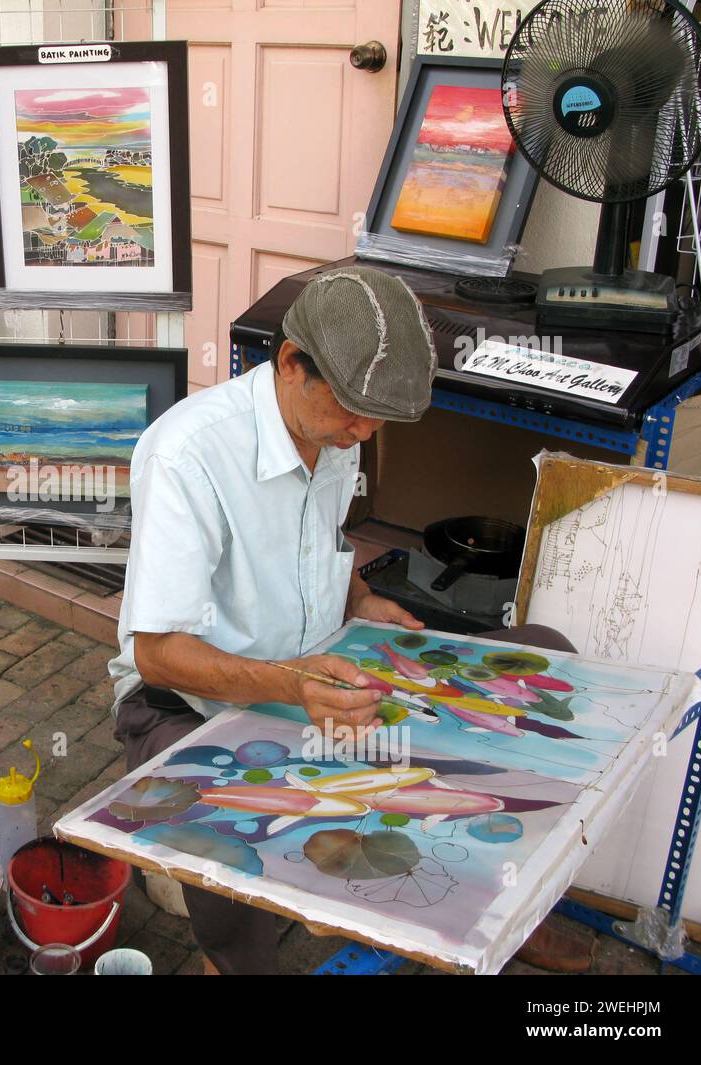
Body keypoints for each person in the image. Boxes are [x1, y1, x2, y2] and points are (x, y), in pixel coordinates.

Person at [109, 265, 591, 974]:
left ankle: (508, 898)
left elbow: (311, 548)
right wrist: (287, 683)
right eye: (353, 409)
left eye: (376, 417)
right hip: (186, 699)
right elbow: (157, 653)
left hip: (313, 665)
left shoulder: (335, 430)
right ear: (289, 364)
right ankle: (235, 961)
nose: (363, 431)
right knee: (233, 863)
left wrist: (359, 601)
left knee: (544, 655)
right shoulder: (188, 454)